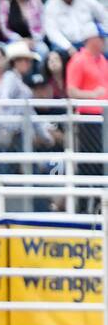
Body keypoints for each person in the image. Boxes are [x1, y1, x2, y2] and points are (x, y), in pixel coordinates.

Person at [66, 30, 107, 205]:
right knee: (87, 164)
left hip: (103, 117)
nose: (104, 41)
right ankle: (82, 207)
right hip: (88, 117)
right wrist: (92, 95)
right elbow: (71, 91)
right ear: (91, 39)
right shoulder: (78, 60)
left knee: (101, 164)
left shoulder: (102, 60)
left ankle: (100, 205)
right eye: (101, 37)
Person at [42, 0, 108, 53]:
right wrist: (68, 47)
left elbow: (104, 17)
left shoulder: (88, 0)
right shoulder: (51, 5)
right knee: (58, 54)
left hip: (90, 39)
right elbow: (52, 32)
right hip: (68, 44)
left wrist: (102, 35)